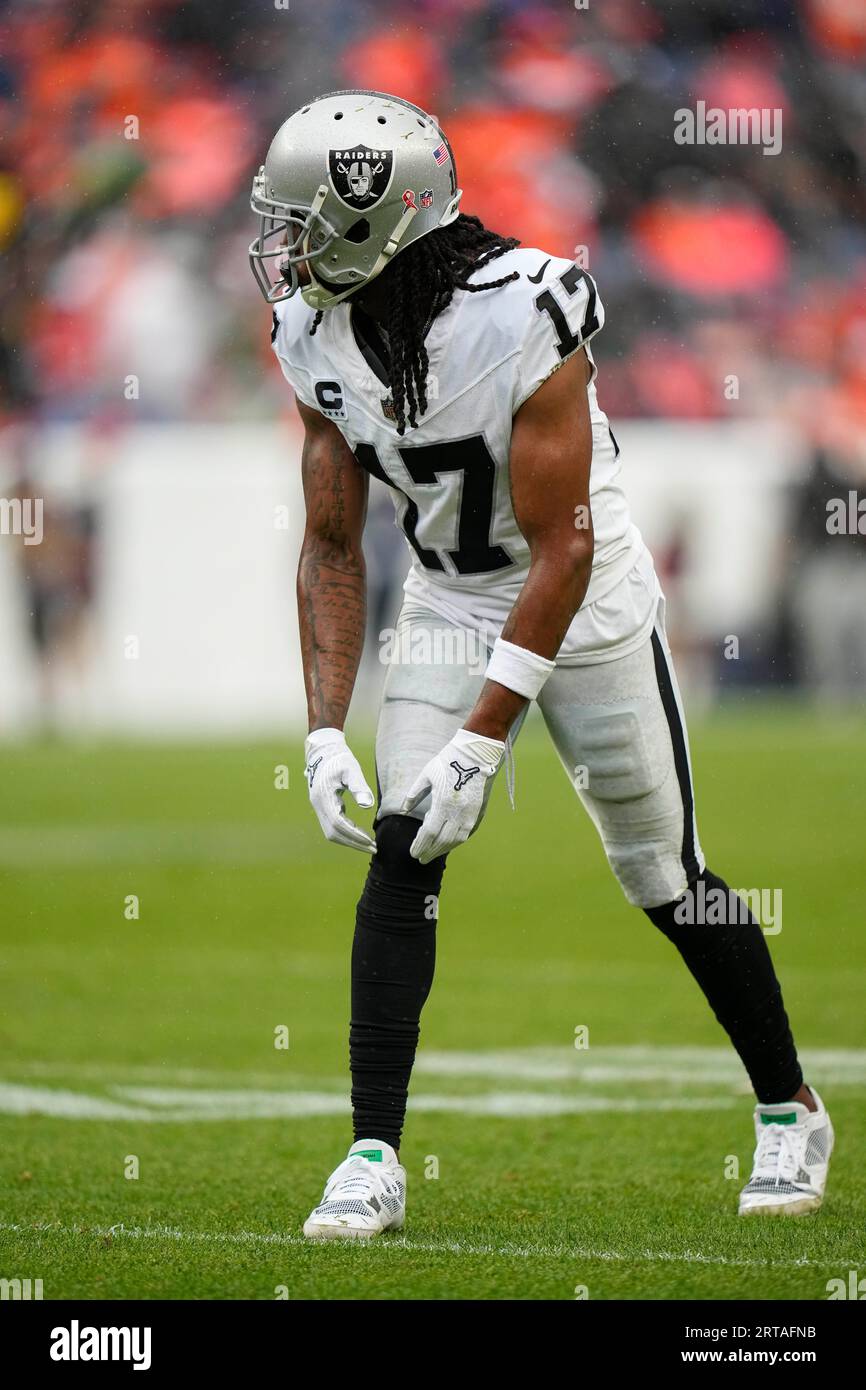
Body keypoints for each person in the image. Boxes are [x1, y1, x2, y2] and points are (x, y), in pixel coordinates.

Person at [249, 90, 832, 1239]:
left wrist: (482, 738)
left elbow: (561, 544)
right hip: (451, 597)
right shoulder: (310, 333)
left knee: (661, 875)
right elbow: (327, 541)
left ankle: (787, 1104)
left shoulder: (524, 307)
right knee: (405, 844)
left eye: (309, 220)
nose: (287, 247)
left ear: (379, 223)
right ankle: (372, 1150)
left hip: (588, 593)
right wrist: (321, 726)